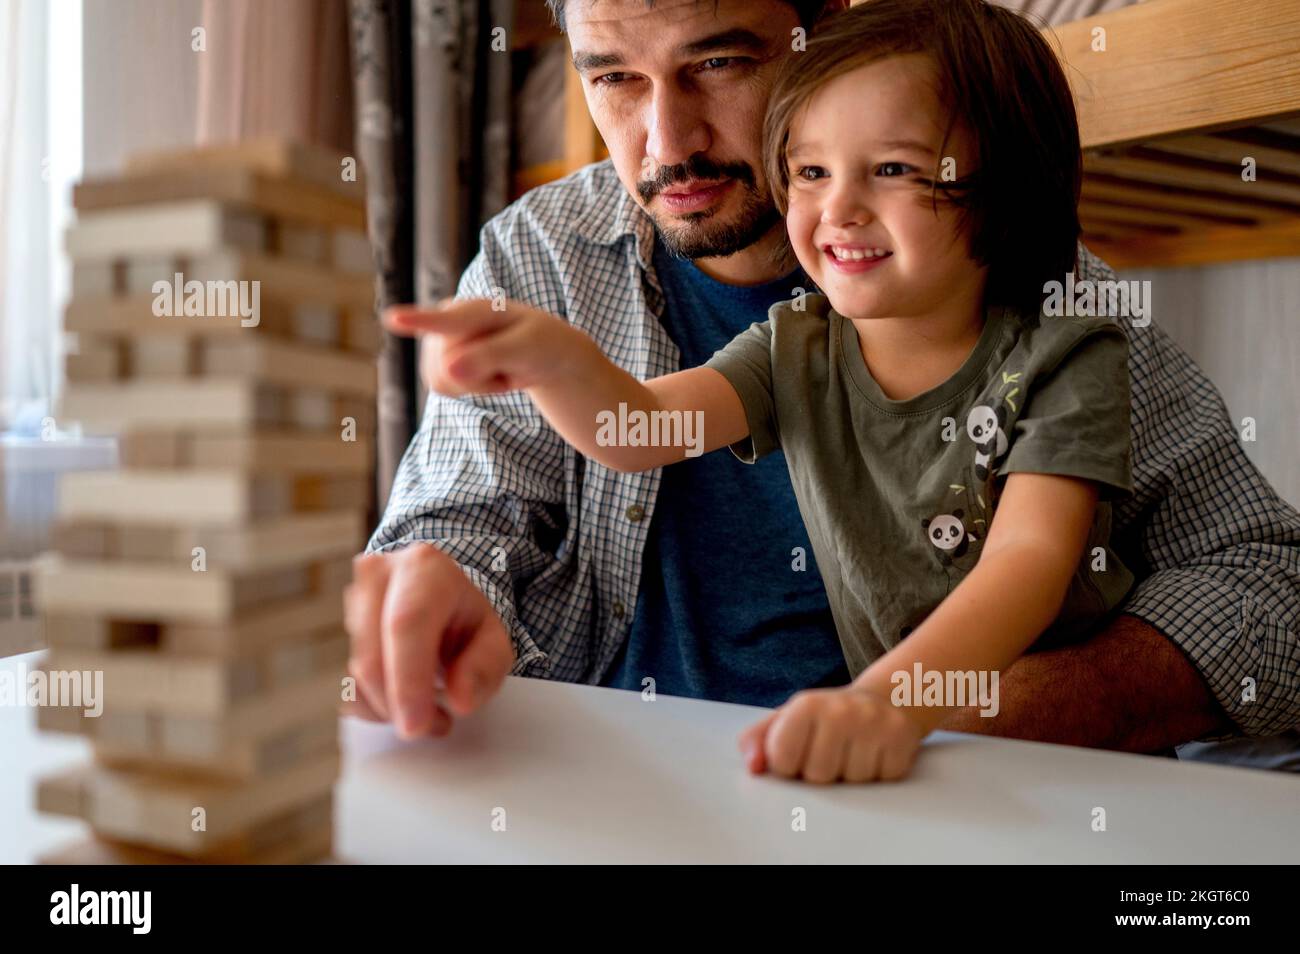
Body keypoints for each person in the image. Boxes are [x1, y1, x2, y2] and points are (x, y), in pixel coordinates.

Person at [345, 0, 1300, 767]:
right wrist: (439, 593)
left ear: (822, 35)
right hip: (637, 779)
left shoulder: (1042, 306)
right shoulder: (557, 262)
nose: (666, 140)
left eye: (719, 64)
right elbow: (597, 444)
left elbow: (1267, 588)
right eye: (613, 77)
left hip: (944, 775)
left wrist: (959, 718)